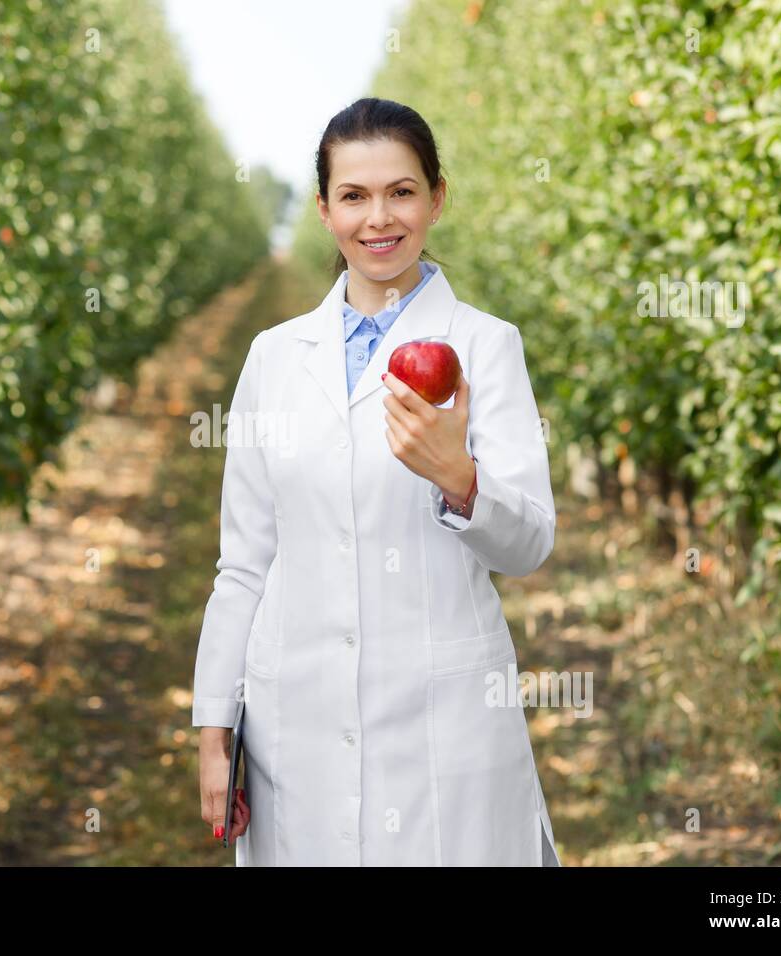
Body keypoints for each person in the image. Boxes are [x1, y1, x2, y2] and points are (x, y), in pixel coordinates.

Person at [193, 97, 562, 866]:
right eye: (354, 196)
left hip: (444, 725)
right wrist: (212, 727)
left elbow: (528, 541)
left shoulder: (487, 348)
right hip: (294, 726)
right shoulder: (273, 357)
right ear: (324, 210)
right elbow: (244, 563)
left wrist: (461, 479)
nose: (378, 218)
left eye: (401, 191)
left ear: (436, 197)